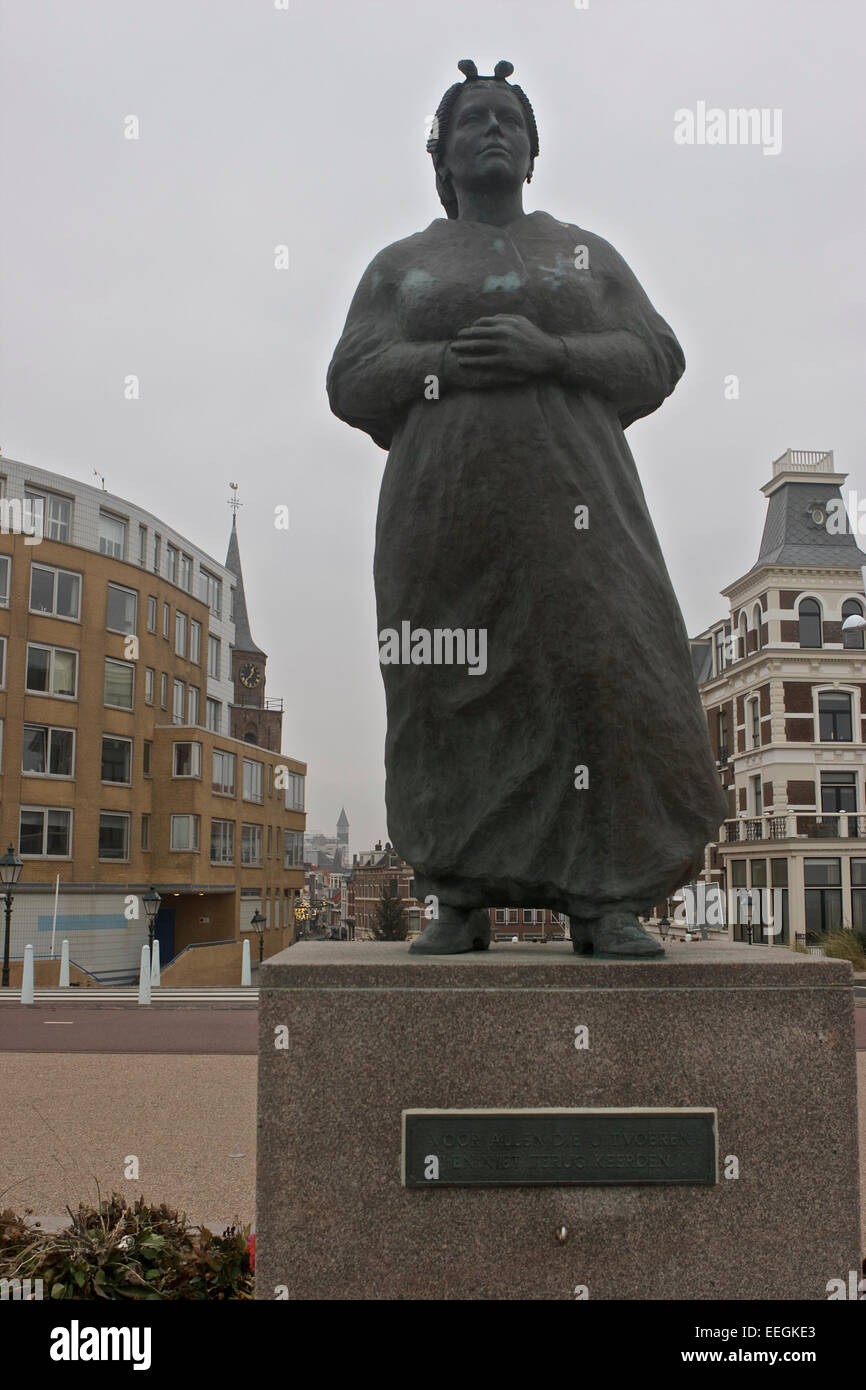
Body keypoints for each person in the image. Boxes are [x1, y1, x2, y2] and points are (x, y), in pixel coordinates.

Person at [327, 60, 727, 958]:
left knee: (603, 671)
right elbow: (349, 379)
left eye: (510, 118)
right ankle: (459, 894)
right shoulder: (404, 265)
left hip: (578, 504)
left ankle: (608, 893)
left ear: (535, 151)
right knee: (443, 689)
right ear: (445, 149)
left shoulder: (580, 252)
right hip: (443, 514)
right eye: (474, 119)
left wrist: (552, 351)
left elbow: (656, 356)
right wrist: (444, 366)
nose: (493, 130)